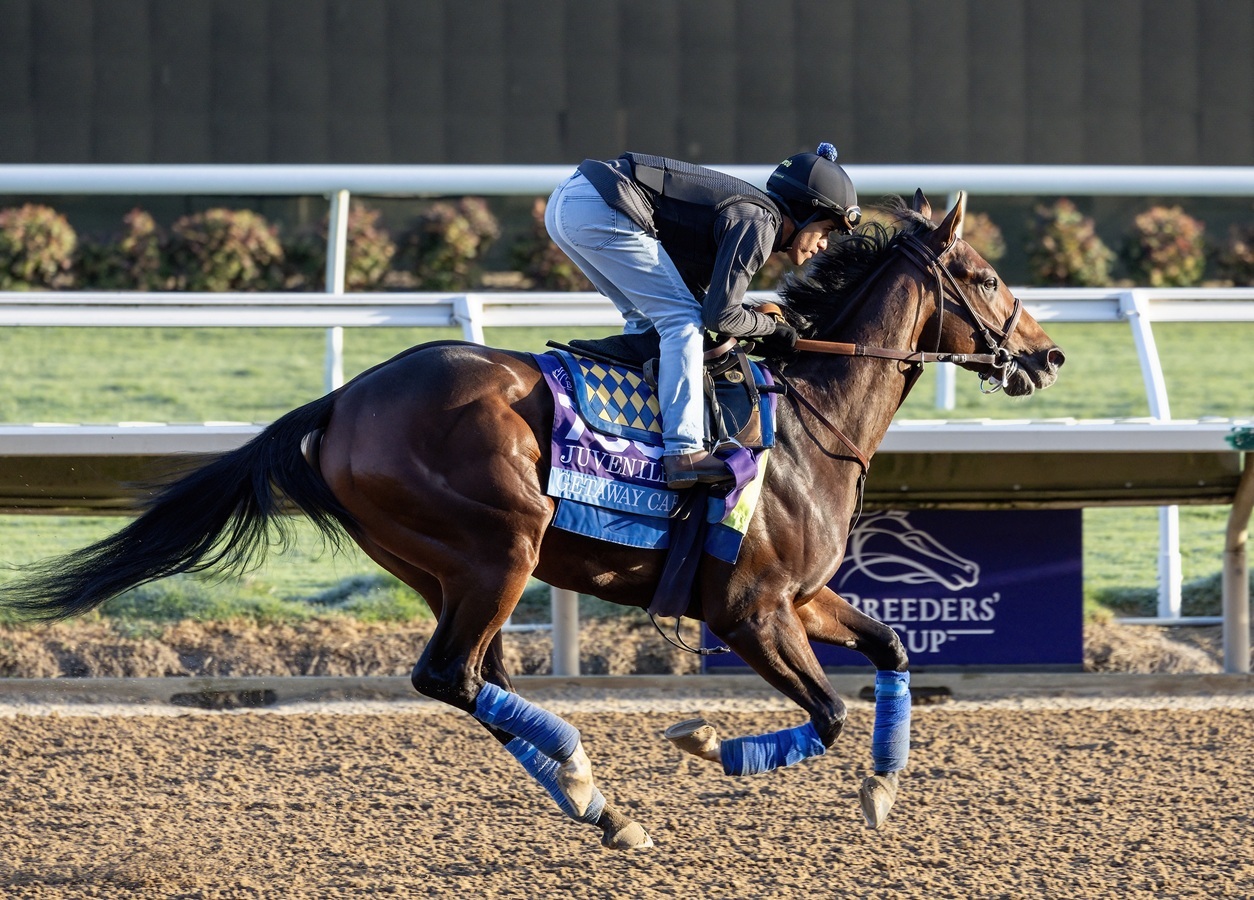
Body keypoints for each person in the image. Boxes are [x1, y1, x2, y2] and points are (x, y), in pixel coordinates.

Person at [545, 142, 861, 489]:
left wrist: (753, 322)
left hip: (572, 201)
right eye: (826, 230)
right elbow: (719, 317)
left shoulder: (748, 211)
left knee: (649, 320)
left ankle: (637, 430)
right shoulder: (760, 222)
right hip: (600, 204)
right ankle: (684, 451)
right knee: (681, 321)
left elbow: (707, 302)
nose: (824, 244)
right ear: (804, 213)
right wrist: (770, 329)